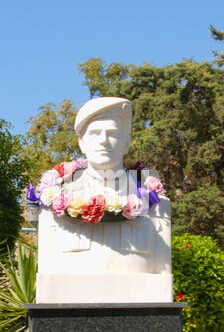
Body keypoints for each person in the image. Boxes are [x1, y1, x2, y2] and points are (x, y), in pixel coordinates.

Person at [34, 96, 172, 303]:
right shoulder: (53, 199)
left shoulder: (154, 200)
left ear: (126, 144)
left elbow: (163, 274)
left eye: (113, 134)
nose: (104, 141)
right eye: (95, 133)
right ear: (82, 142)